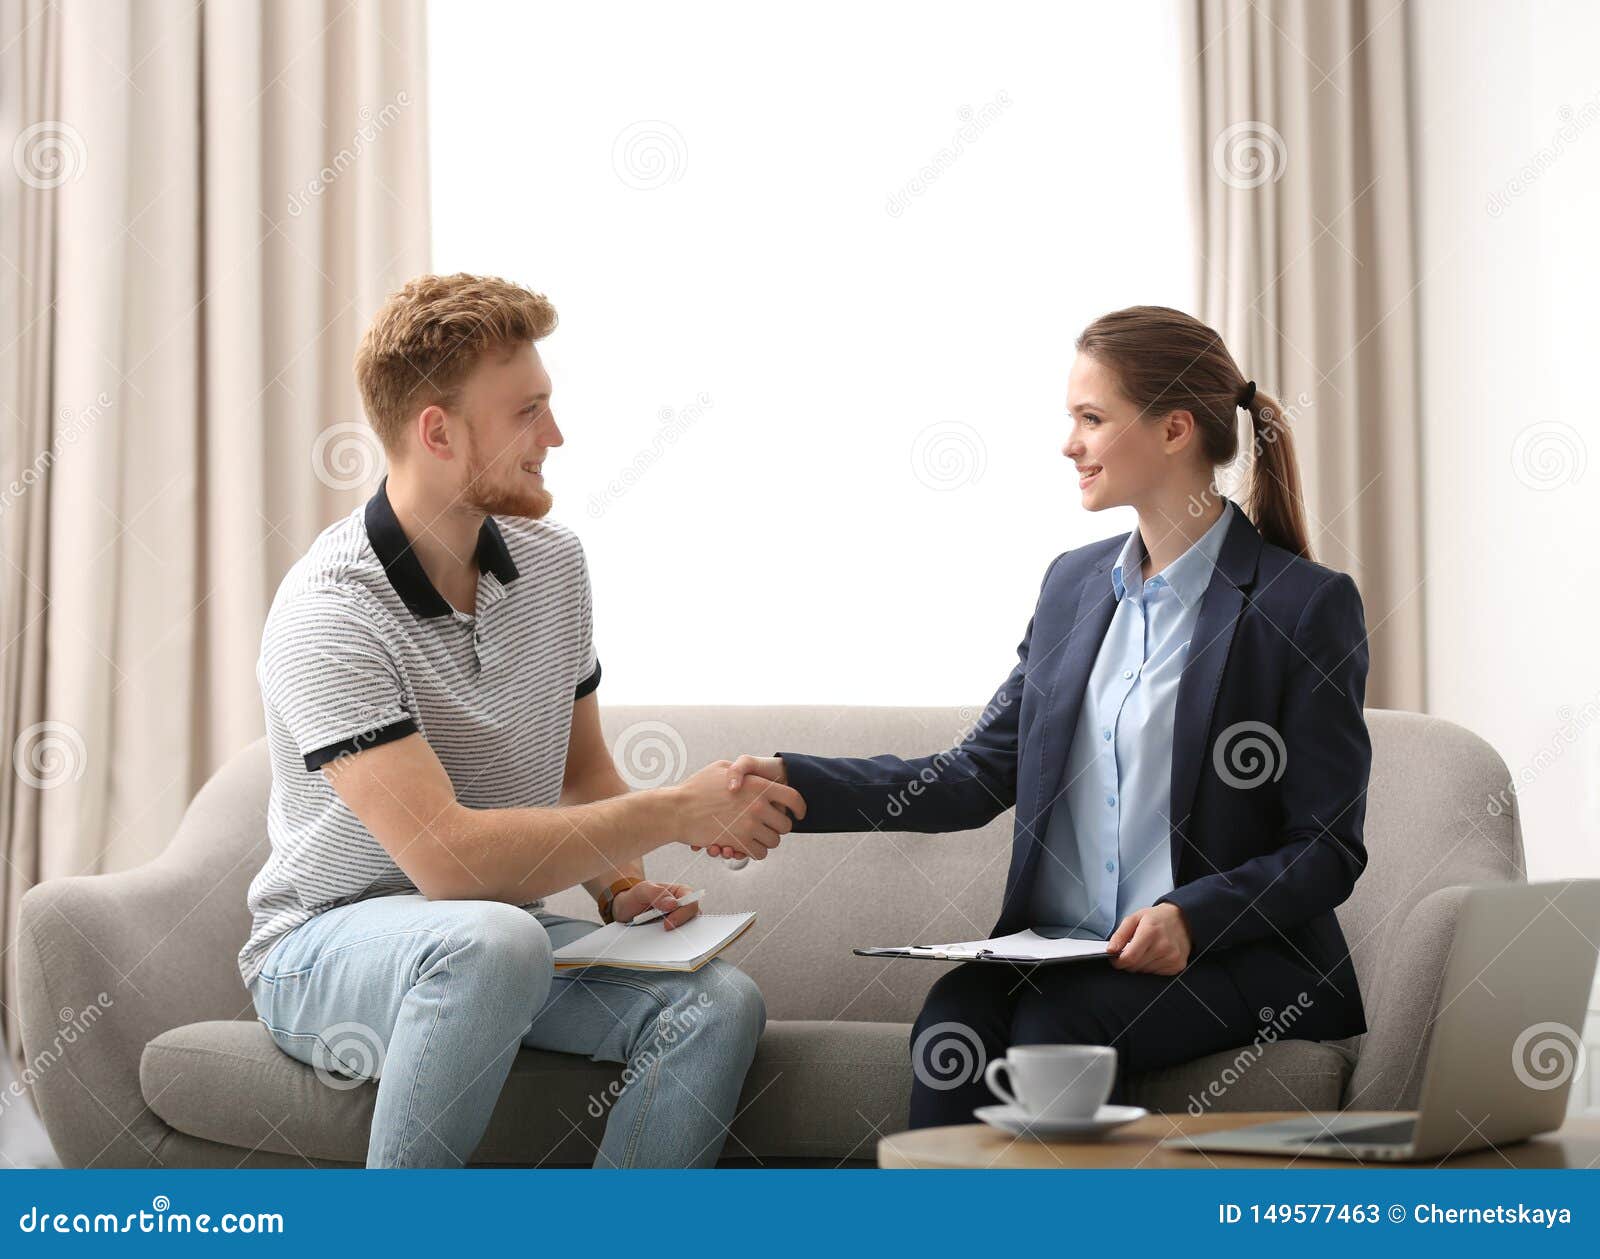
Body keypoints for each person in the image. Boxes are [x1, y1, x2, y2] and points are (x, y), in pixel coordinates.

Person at [713, 305, 1372, 1127]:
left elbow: (1326, 847)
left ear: (1173, 430)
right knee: (954, 1020)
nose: (1070, 444)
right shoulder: (1073, 585)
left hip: (1235, 959)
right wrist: (795, 780)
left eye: (1091, 419)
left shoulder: (1302, 607)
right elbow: (975, 774)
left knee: (1058, 1025)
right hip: (1062, 951)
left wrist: (1188, 918)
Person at [241, 272, 803, 1167]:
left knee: (716, 1000)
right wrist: (678, 809)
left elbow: (582, 769)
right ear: (438, 431)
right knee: (492, 936)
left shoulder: (554, 567)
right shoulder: (329, 611)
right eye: (527, 412)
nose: (556, 435)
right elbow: (451, 864)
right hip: (325, 950)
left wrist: (622, 885)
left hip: (502, 942)